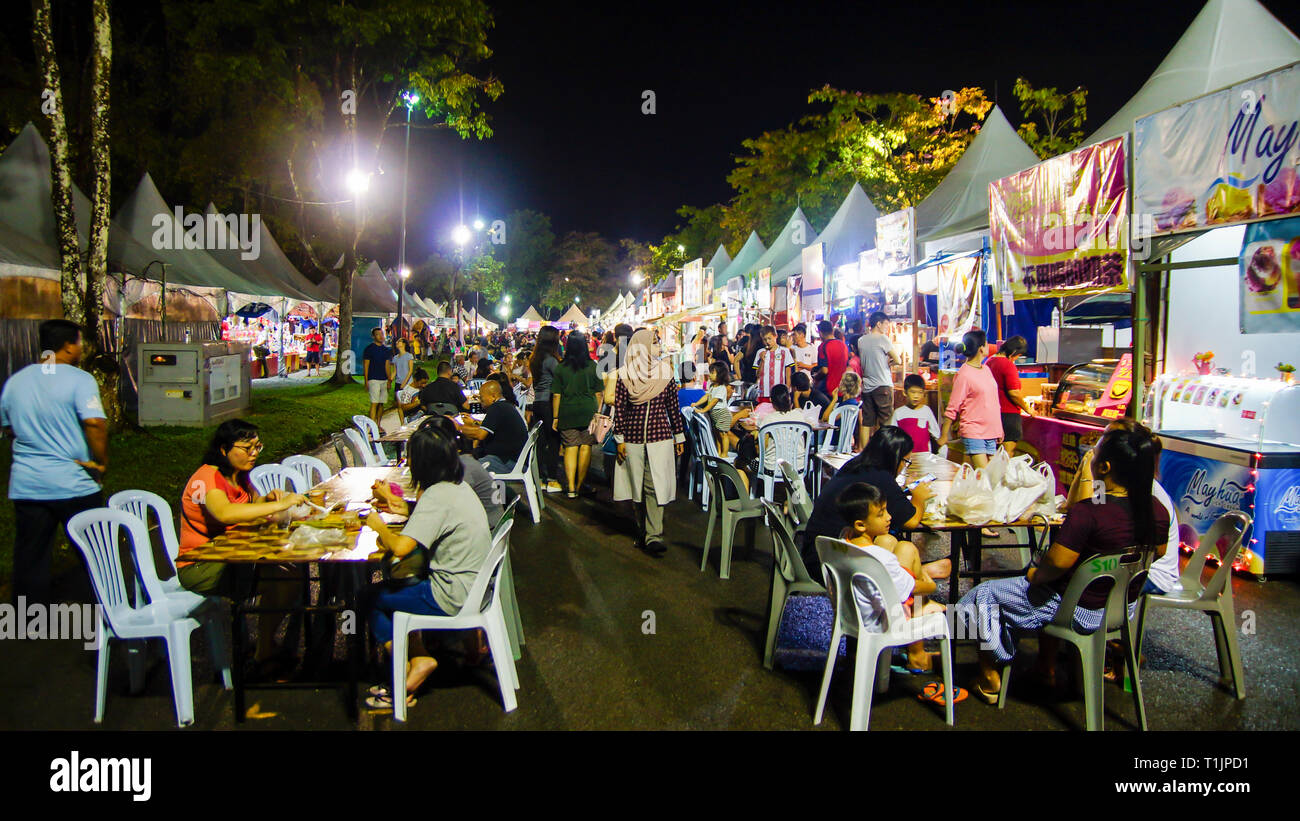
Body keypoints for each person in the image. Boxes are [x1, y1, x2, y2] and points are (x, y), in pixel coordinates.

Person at [957, 421, 1169, 703]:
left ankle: (991, 676)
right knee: (1014, 596)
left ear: (1104, 467)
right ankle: (1041, 668)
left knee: (982, 595)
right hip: (1119, 611)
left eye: (1095, 452)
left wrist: (1034, 575)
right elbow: (1160, 552)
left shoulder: (1088, 513)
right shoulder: (1156, 509)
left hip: (1076, 611)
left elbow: (1056, 563)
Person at [362, 423, 493, 710]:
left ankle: (411, 668)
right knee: (403, 582)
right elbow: (429, 519)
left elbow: (400, 548)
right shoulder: (455, 488)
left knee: (370, 598)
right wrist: (399, 507)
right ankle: (416, 655)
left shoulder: (436, 495)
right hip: (473, 587)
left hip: (452, 594)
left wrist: (376, 526)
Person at [178, 419, 306, 674]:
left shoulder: (238, 475)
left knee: (291, 576)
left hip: (234, 555)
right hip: (203, 565)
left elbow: (250, 505)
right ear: (224, 449)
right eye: (247, 448)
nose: (254, 453)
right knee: (283, 580)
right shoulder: (207, 478)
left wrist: (266, 499)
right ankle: (262, 651)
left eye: (257, 447)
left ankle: (264, 646)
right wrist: (280, 505)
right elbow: (225, 513)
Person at [1, 320, 109, 604]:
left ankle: (27, 620)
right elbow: (95, 423)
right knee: (94, 551)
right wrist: (100, 461)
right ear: (68, 346)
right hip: (74, 482)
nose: (81, 348)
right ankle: (104, 610)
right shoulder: (80, 379)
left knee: (30, 555)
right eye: (79, 343)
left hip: (28, 484)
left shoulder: (16, 381)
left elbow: (9, 427)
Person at [836, 482, 951, 672]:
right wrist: (930, 585)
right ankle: (918, 653)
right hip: (884, 620)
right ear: (860, 525)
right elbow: (916, 588)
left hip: (854, 612)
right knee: (908, 549)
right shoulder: (881, 558)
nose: (889, 517)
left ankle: (924, 577)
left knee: (889, 541)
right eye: (881, 514)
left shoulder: (843, 538)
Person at [803, 425, 935, 574]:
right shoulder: (881, 477)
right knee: (903, 547)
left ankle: (909, 577)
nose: (904, 466)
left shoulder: (858, 464)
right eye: (905, 461)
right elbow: (910, 522)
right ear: (895, 458)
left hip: (815, 550)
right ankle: (918, 578)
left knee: (887, 540)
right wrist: (919, 497)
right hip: (831, 563)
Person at [613, 329, 686, 556]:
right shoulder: (625, 374)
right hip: (633, 439)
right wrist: (620, 439)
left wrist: (679, 435)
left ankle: (654, 535)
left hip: (660, 437)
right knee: (637, 487)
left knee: (654, 485)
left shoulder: (665, 372)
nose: (658, 348)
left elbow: (673, 407)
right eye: (654, 343)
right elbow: (621, 410)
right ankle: (642, 531)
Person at [937, 329, 1002, 469]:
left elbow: (993, 402)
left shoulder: (986, 370)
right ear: (980, 349)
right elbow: (952, 407)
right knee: (985, 475)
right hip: (974, 430)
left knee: (993, 475)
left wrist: (999, 429)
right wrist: (944, 435)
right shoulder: (964, 374)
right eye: (986, 344)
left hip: (991, 431)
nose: (988, 347)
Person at [551, 333, 605, 497]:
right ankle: (581, 485)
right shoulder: (592, 366)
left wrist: (555, 417)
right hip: (588, 411)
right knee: (585, 448)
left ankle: (572, 488)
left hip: (567, 411)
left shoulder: (561, 367)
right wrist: (597, 412)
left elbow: (556, 395)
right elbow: (599, 393)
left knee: (570, 447)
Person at [455, 379, 528, 475]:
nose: (480, 401)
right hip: (515, 460)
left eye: (482, 398)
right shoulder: (505, 406)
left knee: (464, 468)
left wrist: (457, 427)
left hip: (507, 463)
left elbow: (480, 435)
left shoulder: (497, 408)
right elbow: (489, 427)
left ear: (493, 396)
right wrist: (474, 423)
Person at [985, 335, 1035, 456]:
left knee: (993, 454)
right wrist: (1027, 409)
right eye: (1018, 355)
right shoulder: (1007, 365)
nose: (1017, 359)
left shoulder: (989, 361)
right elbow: (1013, 393)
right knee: (1006, 454)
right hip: (1008, 416)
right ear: (1013, 352)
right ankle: (1004, 475)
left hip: (992, 412)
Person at [529, 326, 563, 493]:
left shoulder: (535, 358)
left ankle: (540, 478)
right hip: (549, 403)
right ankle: (552, 478)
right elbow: (561, 380)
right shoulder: (551, 360)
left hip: (537, 402)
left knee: (541, 442)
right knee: (554, 441)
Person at [692, 361, 749, 456]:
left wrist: (703, 409)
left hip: (721, 414)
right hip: (716, 415)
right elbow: (709, 398)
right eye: (732, 387)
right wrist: (697, 404)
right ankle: (720, 452)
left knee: (723, 434)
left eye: (712, 373)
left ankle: (724, 453)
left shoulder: (720, 388)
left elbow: (713, 401)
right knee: (720, 434)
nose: (733, 390)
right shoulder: (713, 387)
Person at [857, 311, 900, 434]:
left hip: (867, 386)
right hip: (882, 385)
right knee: (886, 421)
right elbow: (898, 359)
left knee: (867, 421)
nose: (887, 327)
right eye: (886, 324)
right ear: (878, 324)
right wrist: (889, 363)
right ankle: (883, 450)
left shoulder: (861, 340)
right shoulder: (883, 339)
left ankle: (863, 449)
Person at [889, 374, 941, 456]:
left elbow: (936, 433)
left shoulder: (926, 411)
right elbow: (892, 435)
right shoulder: (898, 413)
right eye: (913, 392)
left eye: (920, 392)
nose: (916, 396)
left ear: (924, 393)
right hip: (904, 456)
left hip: (924, 455)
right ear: (905, 392)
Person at [820, 371, 868, 451]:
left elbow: (825, 419)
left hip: (833, 441)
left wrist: (833, 400)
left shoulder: (846, 406)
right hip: (844, 442)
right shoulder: (854, 404)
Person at [362, 327, 394, 433]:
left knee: (381, 403)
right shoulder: (369, 349)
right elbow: (366, 365)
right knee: (374, 402)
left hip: (384, 379)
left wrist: (389, 380)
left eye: (382, 334)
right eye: (378, 334)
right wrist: (366, 380)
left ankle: (378, 424)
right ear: (373, 336)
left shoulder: (386, 350)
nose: (381, 336)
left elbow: (387, 365)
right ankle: (372, 426)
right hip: (373, 378)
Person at [752, 325, 794, 402]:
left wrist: (787, 389)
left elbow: (788, 373)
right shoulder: (760, 352)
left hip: (779, 393)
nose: (767, 342)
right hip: (763, 392)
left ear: (776, 336)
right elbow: (757, 375)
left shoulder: (784, 351)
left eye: (769, 338)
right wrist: (762, 360)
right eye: (764, 339)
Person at [816, 319, 848, 394]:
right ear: (832, 331)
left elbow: (824, 370)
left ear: (820, 333)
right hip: (842, 388)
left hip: (828, 389)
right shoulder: (843, 345)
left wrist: (816, 377)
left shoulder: (823, 346)